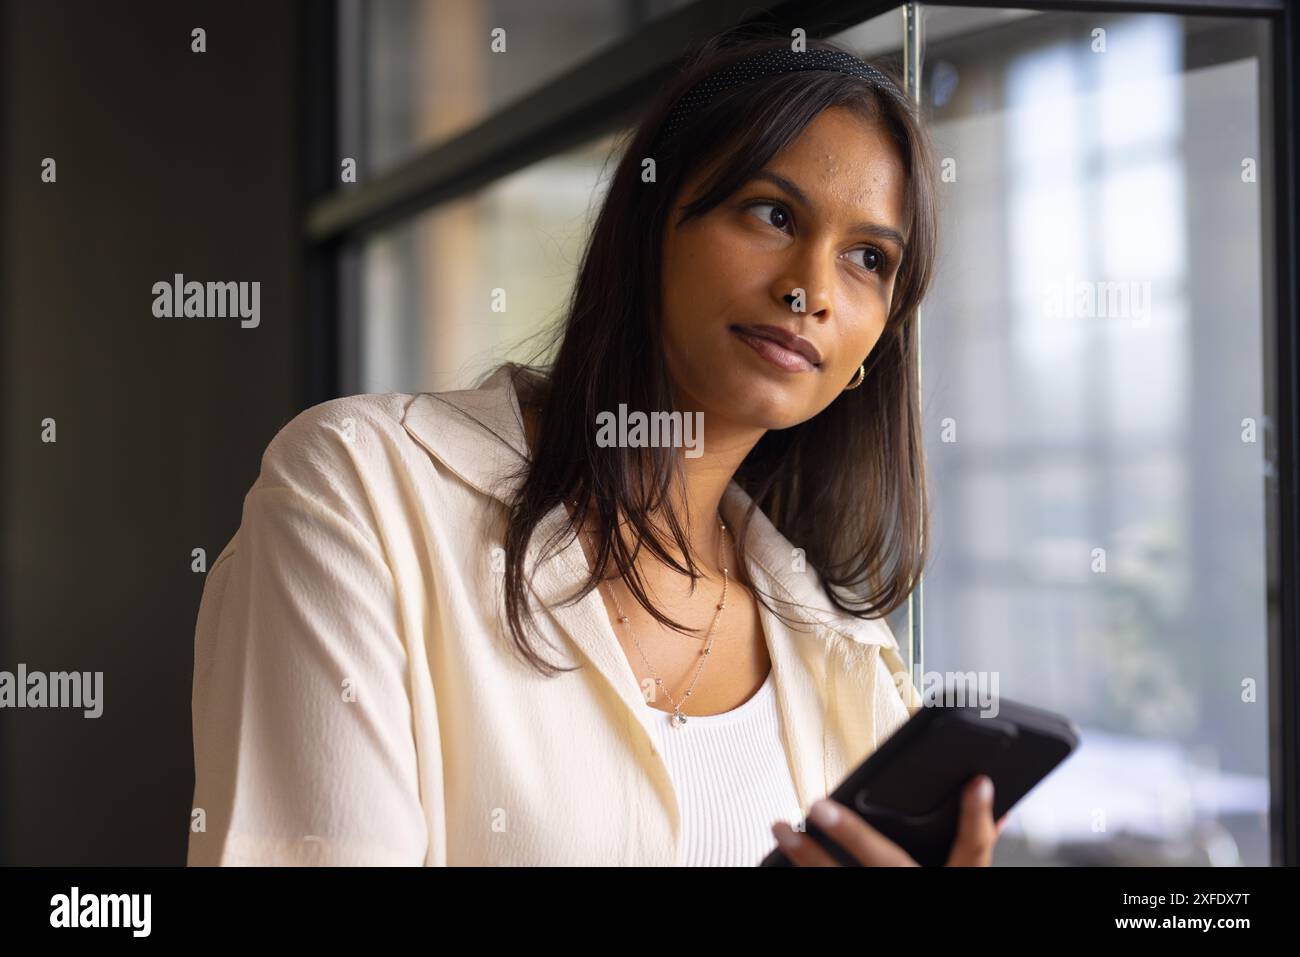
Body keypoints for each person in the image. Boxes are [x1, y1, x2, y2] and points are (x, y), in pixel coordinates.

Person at [187, 26, 1008, 867]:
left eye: (869, 258)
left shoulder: (849, 658)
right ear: (650, 224)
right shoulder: (359, 487)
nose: (812, 288)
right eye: (772, 213)